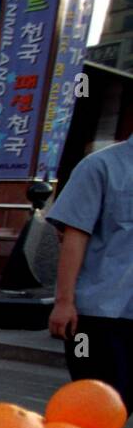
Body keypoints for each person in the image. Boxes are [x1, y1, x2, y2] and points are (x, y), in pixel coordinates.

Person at [46, 137, 133, 408]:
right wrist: (64, 301)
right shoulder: (99, 166)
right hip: (99, 316)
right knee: (97, 407)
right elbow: (74, 235)